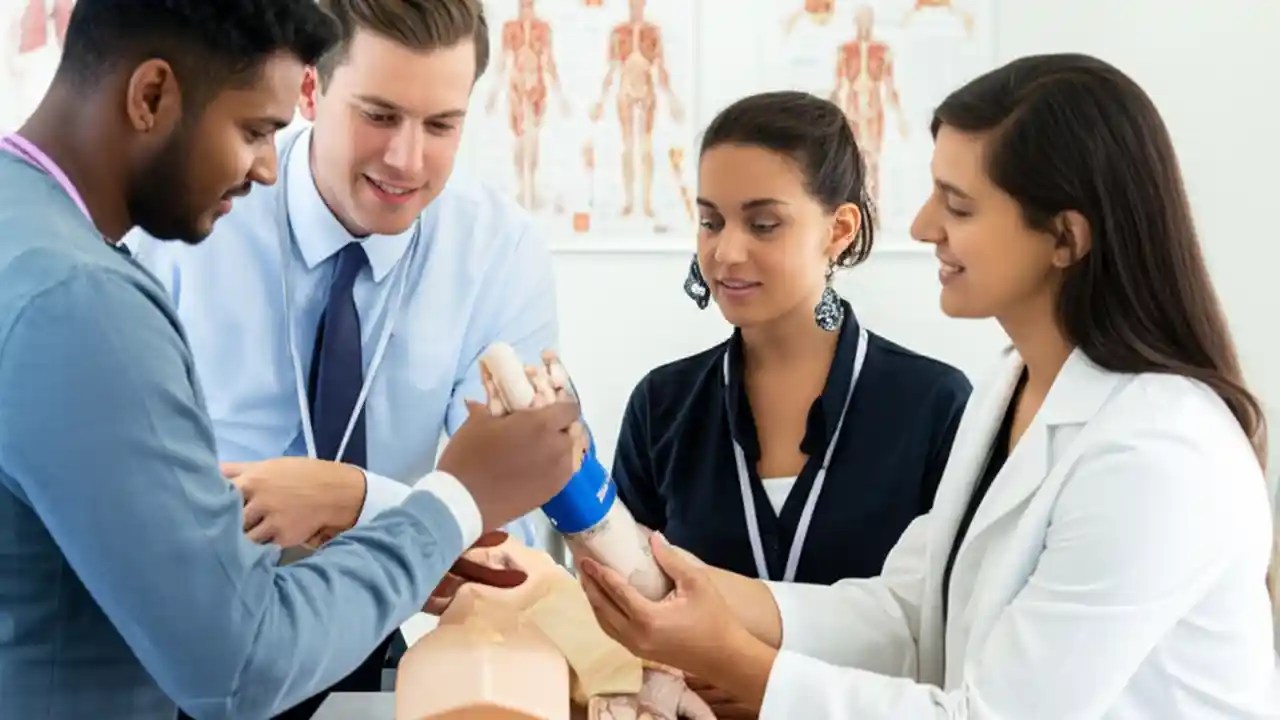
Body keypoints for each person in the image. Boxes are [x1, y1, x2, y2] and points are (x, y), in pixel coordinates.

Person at [578, 54, 1280, 718]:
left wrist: (729, 657)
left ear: (1065, 238)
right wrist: (694, 590)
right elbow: (913, 615)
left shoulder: (1158, 453)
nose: (921, 227)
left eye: (959, 207)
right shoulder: (1009, 390)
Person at [0, 2, 580, 719]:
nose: (267, 168)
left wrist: (350, 497)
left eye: (441, 125)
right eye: (254, 131)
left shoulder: (31, 235)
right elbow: (237, 666)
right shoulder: (85, 298)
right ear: (151, 96)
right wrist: (454, 500)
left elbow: (509, 537)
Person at [613, 91, 971, 590]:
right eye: (711, 223)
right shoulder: (661, 405)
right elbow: (624, 593)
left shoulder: (935, 406)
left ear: (839, 230)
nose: (726, 252)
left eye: (763, 225)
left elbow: (951, 610)